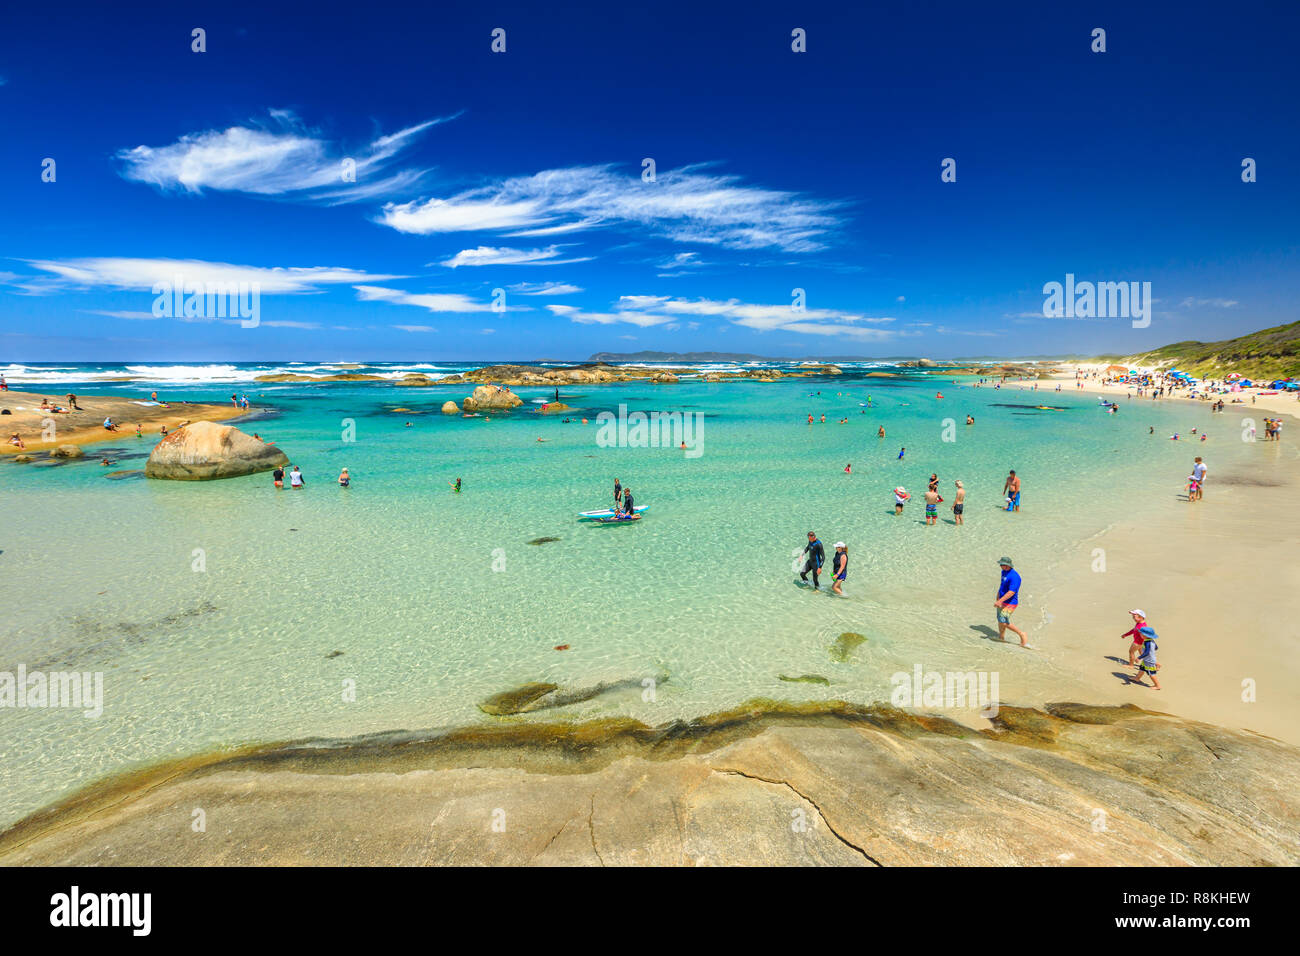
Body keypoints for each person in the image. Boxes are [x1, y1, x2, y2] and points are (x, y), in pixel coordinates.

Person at [994, 557, 1030, 647]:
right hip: (1001, 601)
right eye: (1000, 564)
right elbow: (1002, 585)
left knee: (1003, 621)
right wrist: (998, 598)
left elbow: (1011, 592)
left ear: (1007, 565)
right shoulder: (1004, 572)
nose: (1000, 566)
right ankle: (1001, 637)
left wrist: (1000, 601)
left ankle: (1022, 634)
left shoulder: (1015, 577)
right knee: (1000, 620)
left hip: (1010, 603)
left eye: (1002, 564)